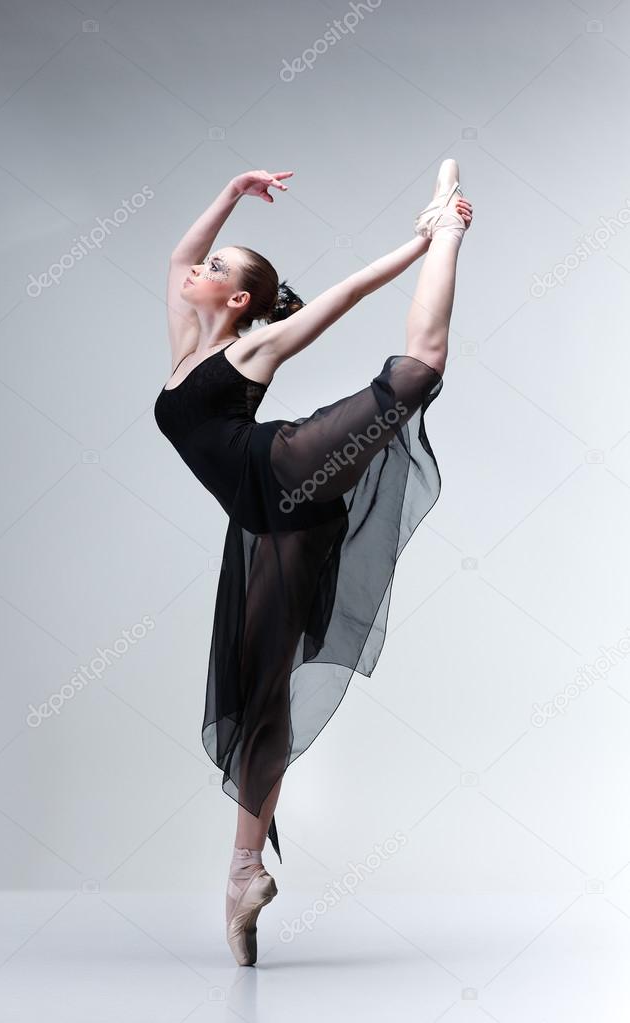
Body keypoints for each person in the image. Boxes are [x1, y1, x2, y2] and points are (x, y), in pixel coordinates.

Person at [154, 160, 472, 965]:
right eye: (211, 260)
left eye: (219, 268)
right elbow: (174, 260)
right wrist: (228, 191)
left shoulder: (252, 350)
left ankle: (452, 231)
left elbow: (347, 294)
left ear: (239, 304)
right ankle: (241, 873)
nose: (201, 266)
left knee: (418, 370)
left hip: (287, 469)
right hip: (270, 525)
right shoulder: (189, 347)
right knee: (263, 692)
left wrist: (421, 240)